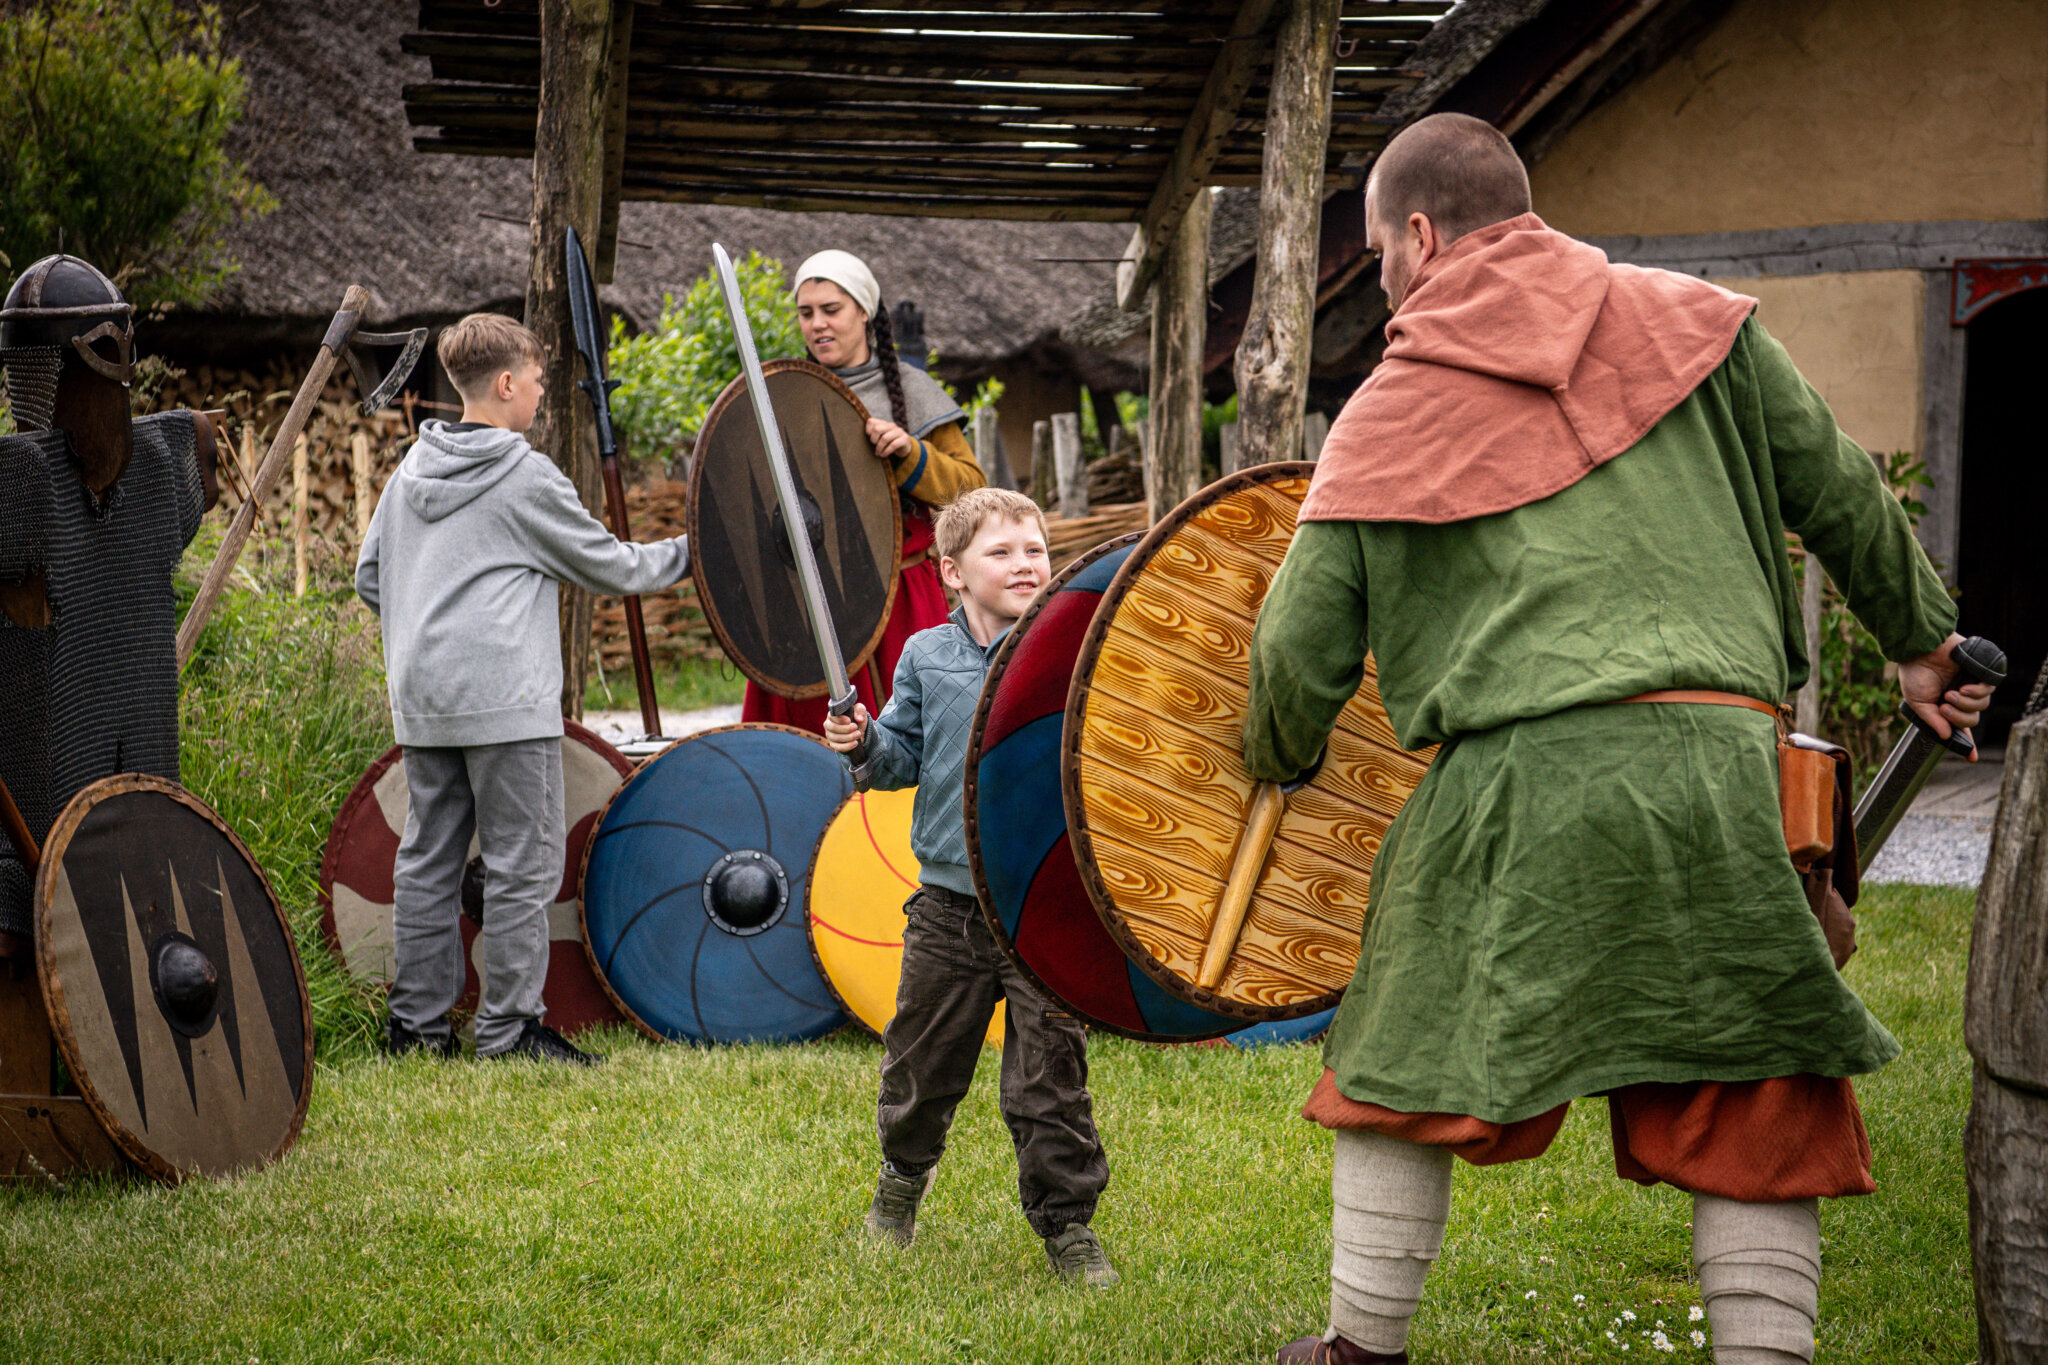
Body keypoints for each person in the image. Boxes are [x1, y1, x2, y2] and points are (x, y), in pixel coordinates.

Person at [1242, 114, 1993, 1365]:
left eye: (1377, 256)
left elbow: (1293, 654)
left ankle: (1358, 1347)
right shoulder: (1703, 323)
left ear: (1418, 238)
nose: (1383, 286)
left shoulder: (1387, 413)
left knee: (1398, 1052)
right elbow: (1839, 488)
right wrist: (1920, 645)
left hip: (1507, 786)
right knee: (1751, 1082)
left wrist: (1274, 756)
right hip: (1723, 769)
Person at [356, 313, 689, 1065]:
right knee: (520, 864)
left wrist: (426, 627)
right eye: (537, 380)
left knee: (428, 858)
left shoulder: (410, 470)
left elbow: (369, 577)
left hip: (425, 699)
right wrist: (695, 549)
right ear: (506, 384)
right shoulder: (522, 472)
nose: (539, 393)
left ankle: (418, 1028)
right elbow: (614, 567)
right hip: (505, 700)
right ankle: (508, 1033)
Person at [822, 487, 1117, 1287]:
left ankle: (1069, 1227)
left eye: (1036, 550)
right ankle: (899, 1185)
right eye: (1003, 551)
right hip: (949, 910)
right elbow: (896, 762)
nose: (1026, 564)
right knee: (922, 1066)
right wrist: (863, 739)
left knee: (1049, 1080)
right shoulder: (924, 656)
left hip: (1046, 911)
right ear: (952, 571)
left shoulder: (1073, 648)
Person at [743, 250, 986, 733]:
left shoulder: (914, 393)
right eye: (806, 312)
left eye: (831, 310)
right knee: (808, 748)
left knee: (909, 743)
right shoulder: (784, 393)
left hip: (898, 601)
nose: (817, 324)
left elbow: (974, 492)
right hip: (807, 605)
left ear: (864, 314)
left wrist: (913, 455)